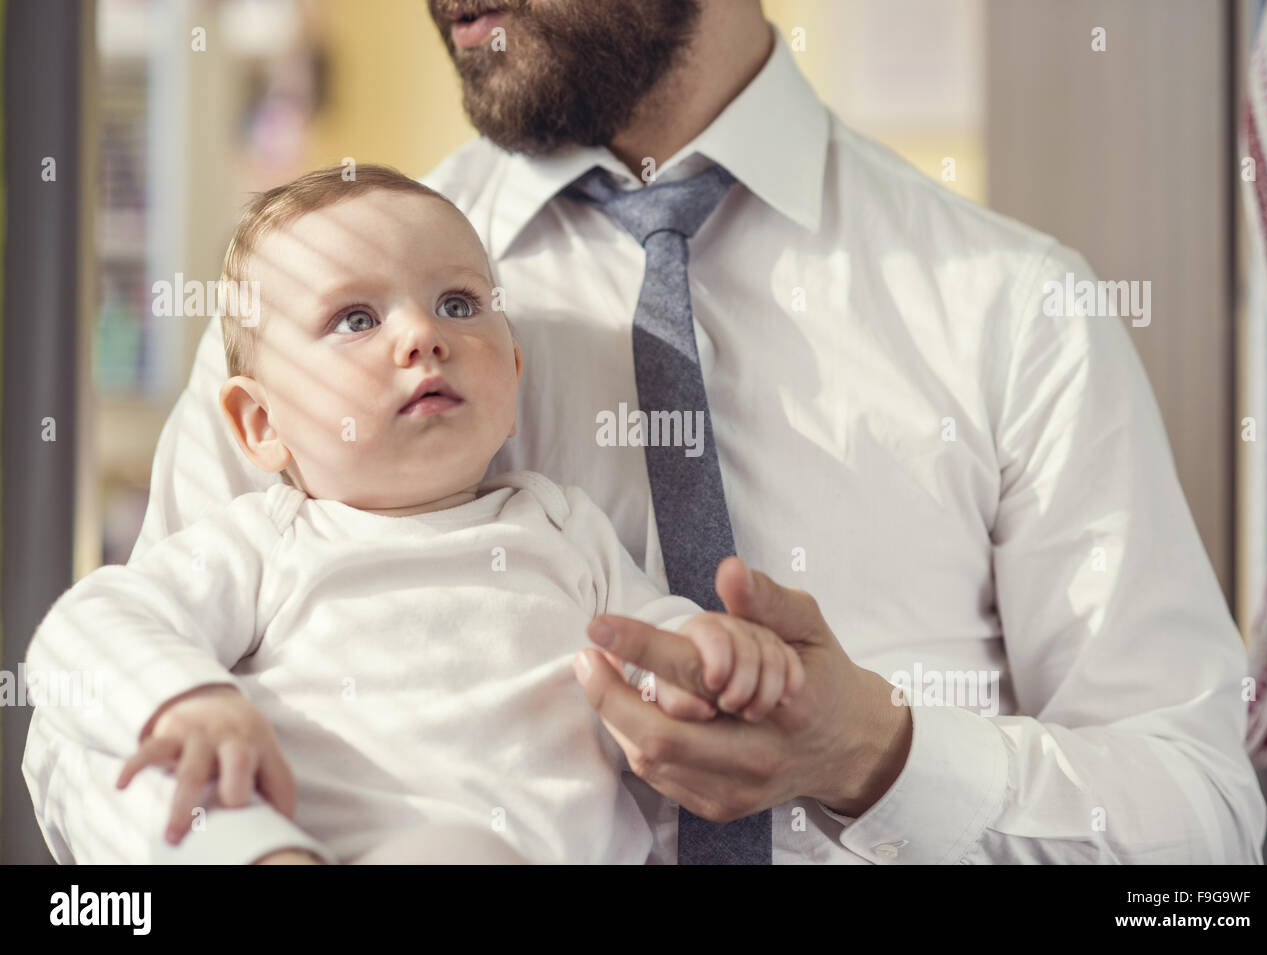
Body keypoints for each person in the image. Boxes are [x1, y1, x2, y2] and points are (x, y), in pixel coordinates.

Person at [28, 0, 1267, 864]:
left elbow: (1204, 830)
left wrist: (877, 757)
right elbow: (92, 738)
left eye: (464, 311)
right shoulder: (303, 316)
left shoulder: (1015, 308)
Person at [22, 165, 801, 864]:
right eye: (356, 319)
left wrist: (711, 656)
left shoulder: (565, 528)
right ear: (261, 424)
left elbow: (648, 655)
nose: (424, 336)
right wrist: (188, 697)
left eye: (458, 303)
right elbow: (90, 623)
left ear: (515, 380)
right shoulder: (267, 544)